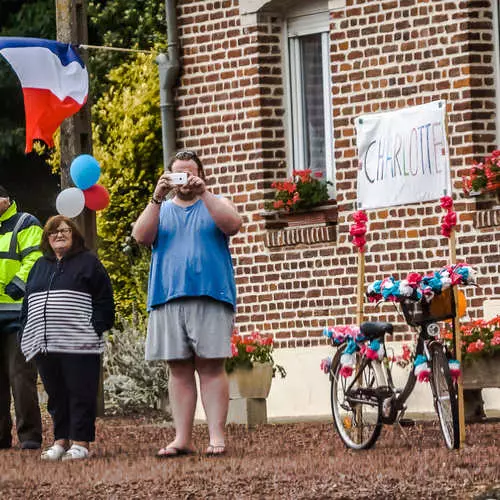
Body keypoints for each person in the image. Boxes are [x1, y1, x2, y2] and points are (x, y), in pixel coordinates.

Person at [132, 150, 242, 458]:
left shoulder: (215, 202)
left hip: (211, 295)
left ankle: (216, 437)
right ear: (168, 176)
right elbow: (141, 235)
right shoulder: (162, 208)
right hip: (167, 297)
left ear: (200, 174)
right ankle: (182, 438)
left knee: (211, 366)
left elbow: (233, 224)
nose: (184, 180)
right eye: (177, 174)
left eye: (189, 173)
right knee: (177, 369)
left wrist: (204, 193)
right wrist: (156, 197)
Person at [20, 215, 115, 461]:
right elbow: (27, 303)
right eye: (53, 232)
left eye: (64, 231)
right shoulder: (39, 265)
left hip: (79, 343)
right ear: (47, 238)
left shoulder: (89, 262)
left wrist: (96, 327)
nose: (59, 235)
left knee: (80, 392)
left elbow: (104, 300)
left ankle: (80, 443)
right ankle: (60, 441)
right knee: (56, 395)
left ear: (74, 235)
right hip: (44, 344)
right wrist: (24, 331)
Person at [0, 185, 43, 450]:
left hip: (18, 315)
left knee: (21, 377)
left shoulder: (26, 223)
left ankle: (29, 438)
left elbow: (35, 259)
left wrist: (18, 283)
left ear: (5, 199)